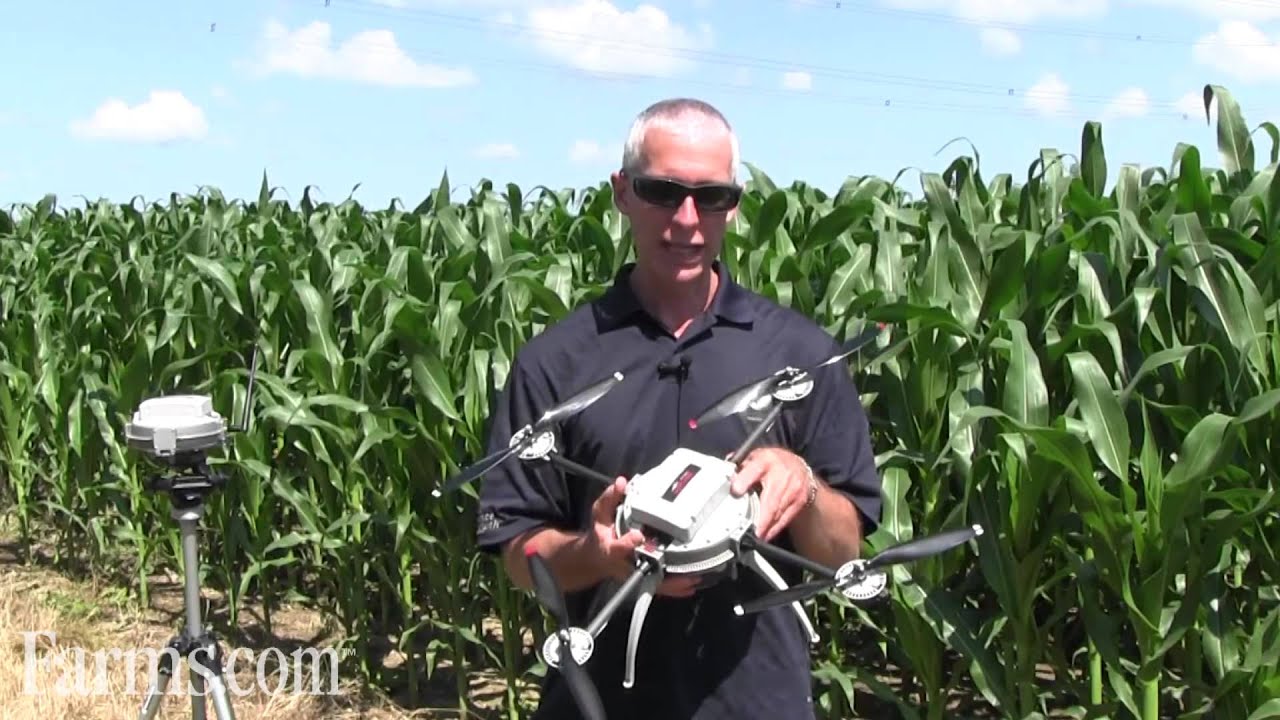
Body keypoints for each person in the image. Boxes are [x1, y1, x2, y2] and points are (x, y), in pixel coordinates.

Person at [473, 97, 883, 720]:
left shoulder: (801, 355)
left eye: (711, 196)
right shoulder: (554, 363)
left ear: (735, 203)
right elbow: (520, 556)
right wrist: (596, 553)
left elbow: (841, 554)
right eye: (663, 191)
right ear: (621, 192)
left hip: (758, 704)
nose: (688, 220)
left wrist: (801, 483)